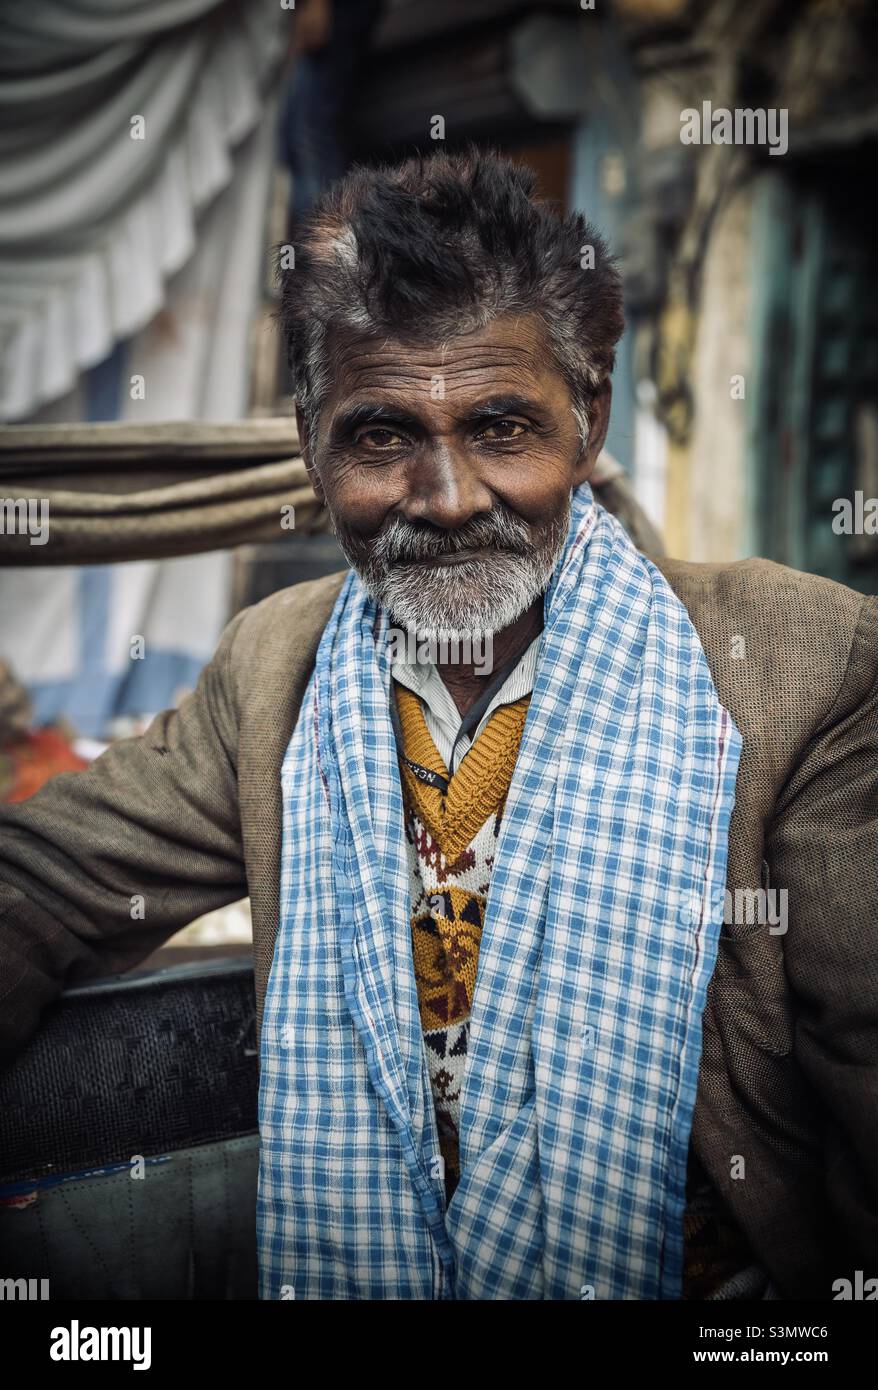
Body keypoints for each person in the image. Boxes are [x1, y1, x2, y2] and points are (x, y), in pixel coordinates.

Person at [1, 151, 876, 1301]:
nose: (449, 494)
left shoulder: (799, 665)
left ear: (588, 414)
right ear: (312, 441)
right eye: (380, 436)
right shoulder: (277, 669)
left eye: (501, 426)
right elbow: (46, 877)